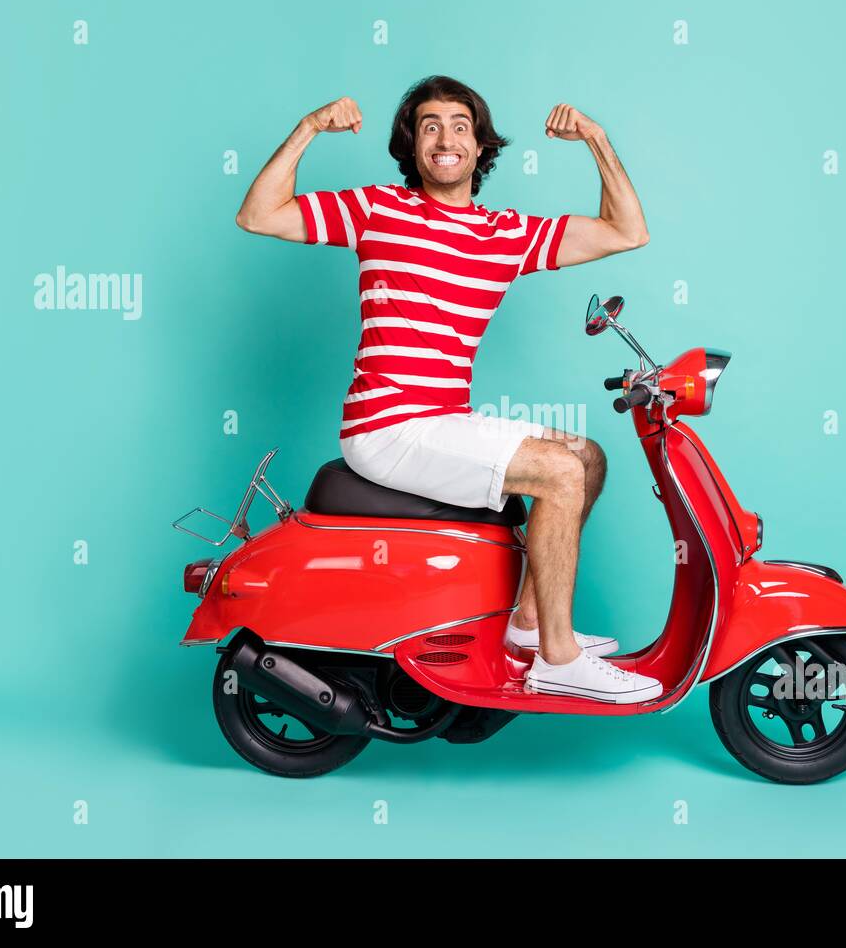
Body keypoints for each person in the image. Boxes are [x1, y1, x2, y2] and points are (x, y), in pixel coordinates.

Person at [235, 75, 661, 704]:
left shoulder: (505, 234)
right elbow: (257, 214)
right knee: (559, 474)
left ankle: (527, 627)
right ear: (412, 147)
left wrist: (595, 138)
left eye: (460, 125)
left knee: (587, 459)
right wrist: (309, 129)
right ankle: (560, 659)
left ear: (481, 147)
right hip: (386, 428)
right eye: (429, 125)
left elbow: (627, 231)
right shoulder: (378, 209)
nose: (445, 138)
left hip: (444, 417)